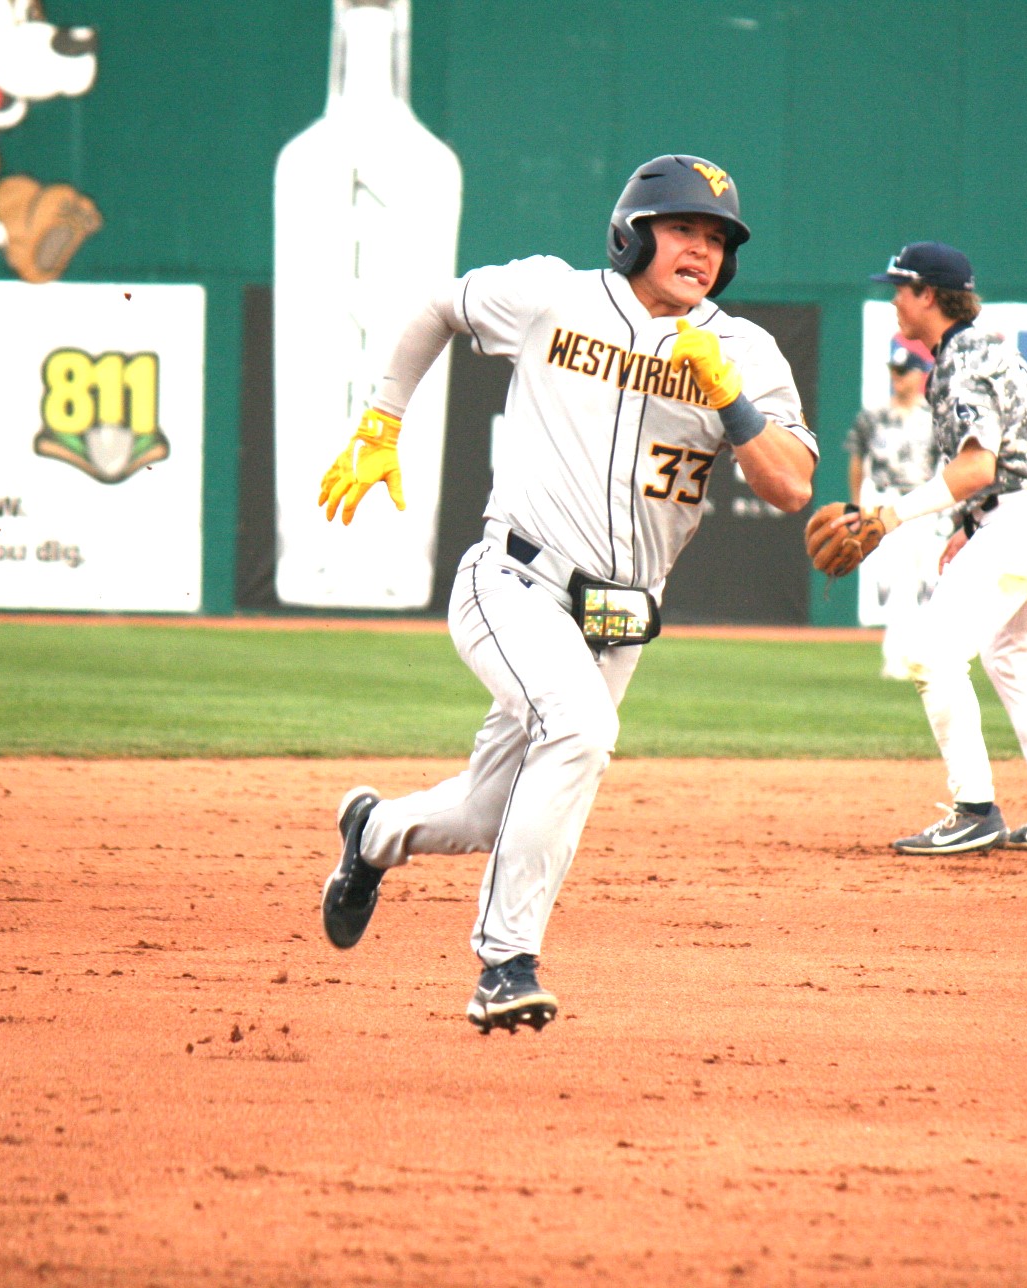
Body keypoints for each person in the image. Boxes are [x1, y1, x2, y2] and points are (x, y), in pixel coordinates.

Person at [314, 155, 817, 1033]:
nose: (702, 250)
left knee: (481, 812)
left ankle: (373, 835)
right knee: (581, 730)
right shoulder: (556, 298)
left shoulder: (745, 352)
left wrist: (733, 402)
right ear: (633, 232)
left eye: (718, 239)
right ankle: (505, 964)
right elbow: (439, 304)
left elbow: (791, 487)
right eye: (684, 229)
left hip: (619, 618)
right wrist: (383, 417)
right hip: (513, 578)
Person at [853, 240, 1027, 855]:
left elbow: (978, 466)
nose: (894, 302)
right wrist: (969, 524)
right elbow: (1022, 451)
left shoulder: (962, 360)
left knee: (930, 655)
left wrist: (891, 515)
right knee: (1009, 657)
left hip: (1025, 521)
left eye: (900, 290)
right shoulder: (986, 348)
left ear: (929, 295)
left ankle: (974, 809)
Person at [844, 333, 945, 680]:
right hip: (886, 500)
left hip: (922, 501)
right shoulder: (874, 416)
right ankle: (897, 659)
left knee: (926, 583)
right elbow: (857, 459)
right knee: (901, 581)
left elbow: (945, 464)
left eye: (904, 371)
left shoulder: (933, 417)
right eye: (895, 371)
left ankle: (919, 655)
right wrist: (857, 505)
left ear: (920, 375)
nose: (897, 377)